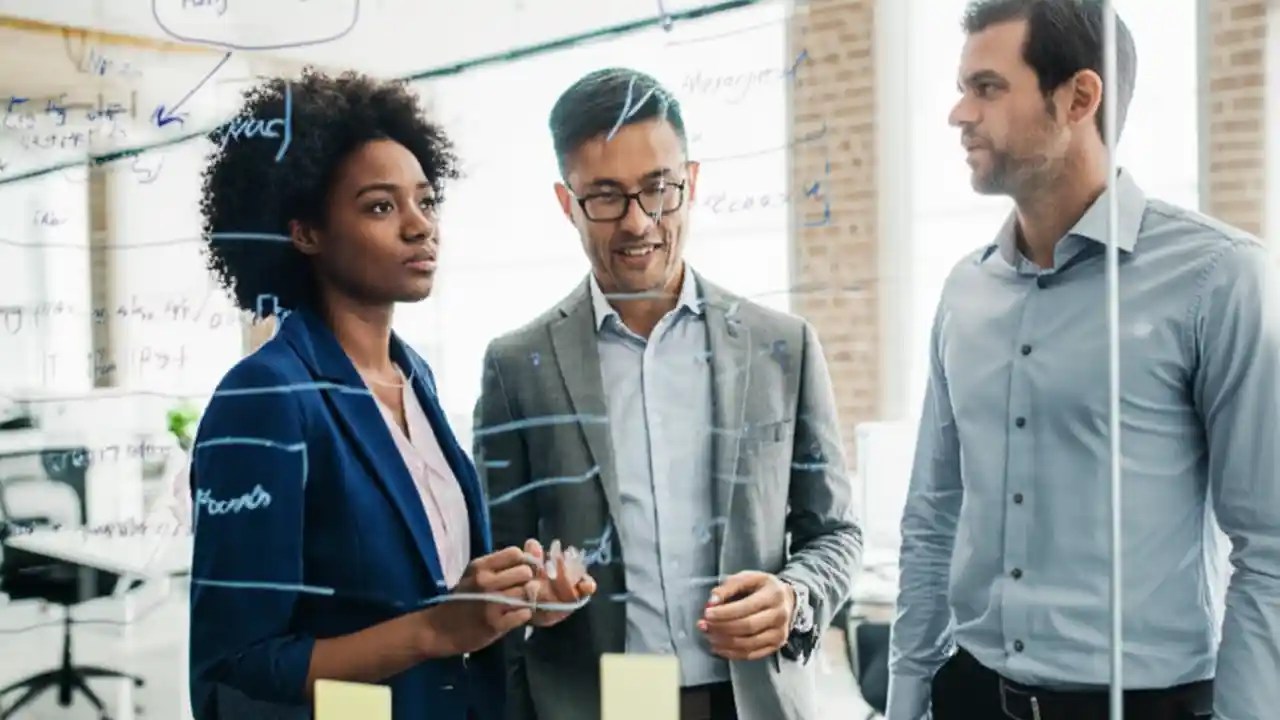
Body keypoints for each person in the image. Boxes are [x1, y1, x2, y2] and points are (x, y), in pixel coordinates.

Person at [888, 1, 1280, 719]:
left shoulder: (1217, 278)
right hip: (973, 697)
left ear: (1078, 98)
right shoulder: (964, 292)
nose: (957, 113)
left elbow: (1272, 546)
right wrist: (906, 702)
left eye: (987, 87)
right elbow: (931, 516)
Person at [187, 69, 595, 720]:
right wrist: (437, 631)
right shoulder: (263, 397)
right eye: (381, 206)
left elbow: (434, 590)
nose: (419, 226)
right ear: (305, 232)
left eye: (425, 201)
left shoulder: (417, 378)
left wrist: (514, 601)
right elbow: (234, 668)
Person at [472, 68, 862, 720]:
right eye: (605, 196)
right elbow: (496, 566)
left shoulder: (782, 346)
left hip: (751, 699)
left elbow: (836, 533)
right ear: (566, 203)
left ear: (693, 183)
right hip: (595, 704)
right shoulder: (517, 366)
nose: (637, 222)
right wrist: (530, 593)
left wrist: (796, 596)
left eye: (659, 190)